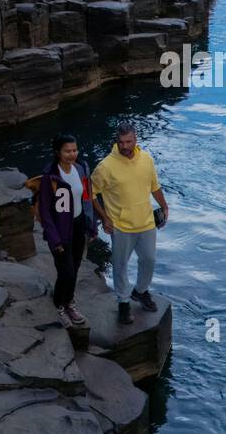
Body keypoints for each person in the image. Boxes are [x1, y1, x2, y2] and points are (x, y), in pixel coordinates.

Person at [91, 122, 168, 325]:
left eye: (129, 141)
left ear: (136, 140)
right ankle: (123, 303)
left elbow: (154, 186)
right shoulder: (105, 166)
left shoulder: (146, 159)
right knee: (120, 266)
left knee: (149, 260)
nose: (125, 146)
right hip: (121, 226)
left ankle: (140, 291)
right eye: (121, 142)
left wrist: (165, 206)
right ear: (117, 141)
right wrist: (104, 217)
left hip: (146, 222)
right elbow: (90, 194)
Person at [38, 133, 96, 329]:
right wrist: (54, 239)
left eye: (74, 150)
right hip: (61, 230)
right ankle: (59, 305)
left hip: (79, 225)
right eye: (67, 151)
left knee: (76, 266)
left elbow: (86, 197)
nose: (72, 154)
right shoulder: (51, 177)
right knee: (67, 272)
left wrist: (91, 224)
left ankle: (69, 302)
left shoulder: (81, 169)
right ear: (57, 152)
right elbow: (44, 211)